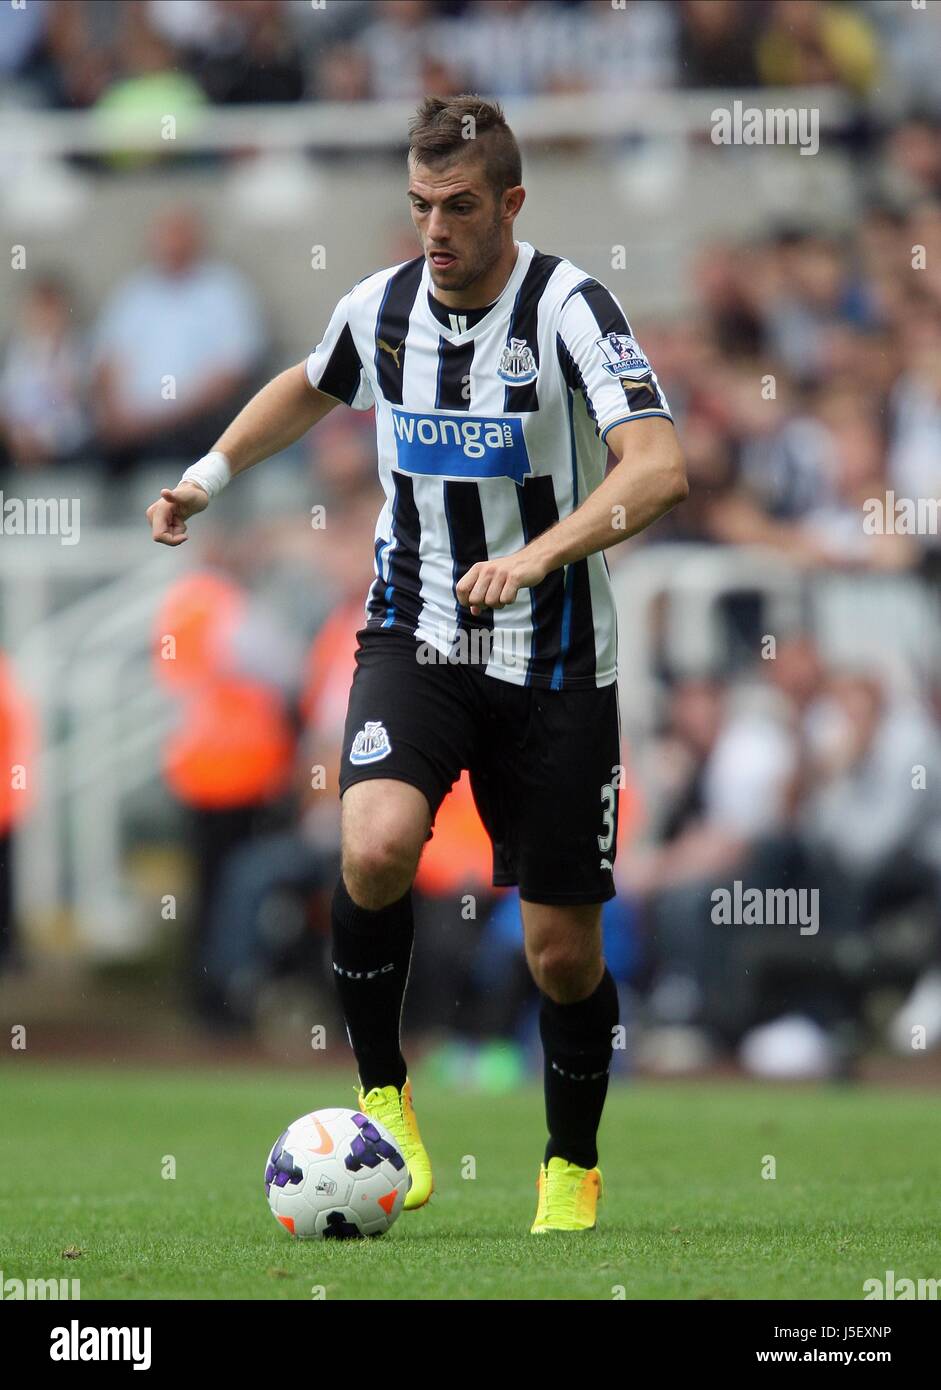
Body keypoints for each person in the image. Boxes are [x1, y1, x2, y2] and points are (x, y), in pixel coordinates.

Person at [146, 94, 687, 1234]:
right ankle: (384, 1098)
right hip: (417, 633)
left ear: (509, 204)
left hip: (555, 659)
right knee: (376, 841)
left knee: (558, 951)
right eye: (419, 204)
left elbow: (657, 469)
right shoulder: (379, 308)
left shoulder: (570, 309)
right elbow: (308, 380)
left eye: (457, 206)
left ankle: (569, 1162)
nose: (434, 229)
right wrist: (208, 474)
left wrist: (540, 554)